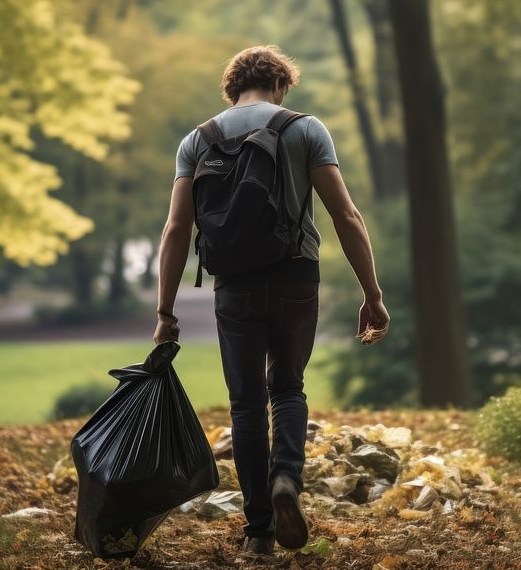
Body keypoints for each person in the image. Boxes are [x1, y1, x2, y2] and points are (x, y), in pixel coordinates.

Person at [152, 44, 390, 557]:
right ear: (281, 85)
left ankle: (258, 532)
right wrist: (371, 293)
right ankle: (287, 479)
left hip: (233, 283)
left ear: (232, 88)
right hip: (295, 276)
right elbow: (346, 216)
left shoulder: (197, 140)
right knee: (287, 387)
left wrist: (165, 310)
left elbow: (176, 229)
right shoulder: (305, 129)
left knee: (245, 404)